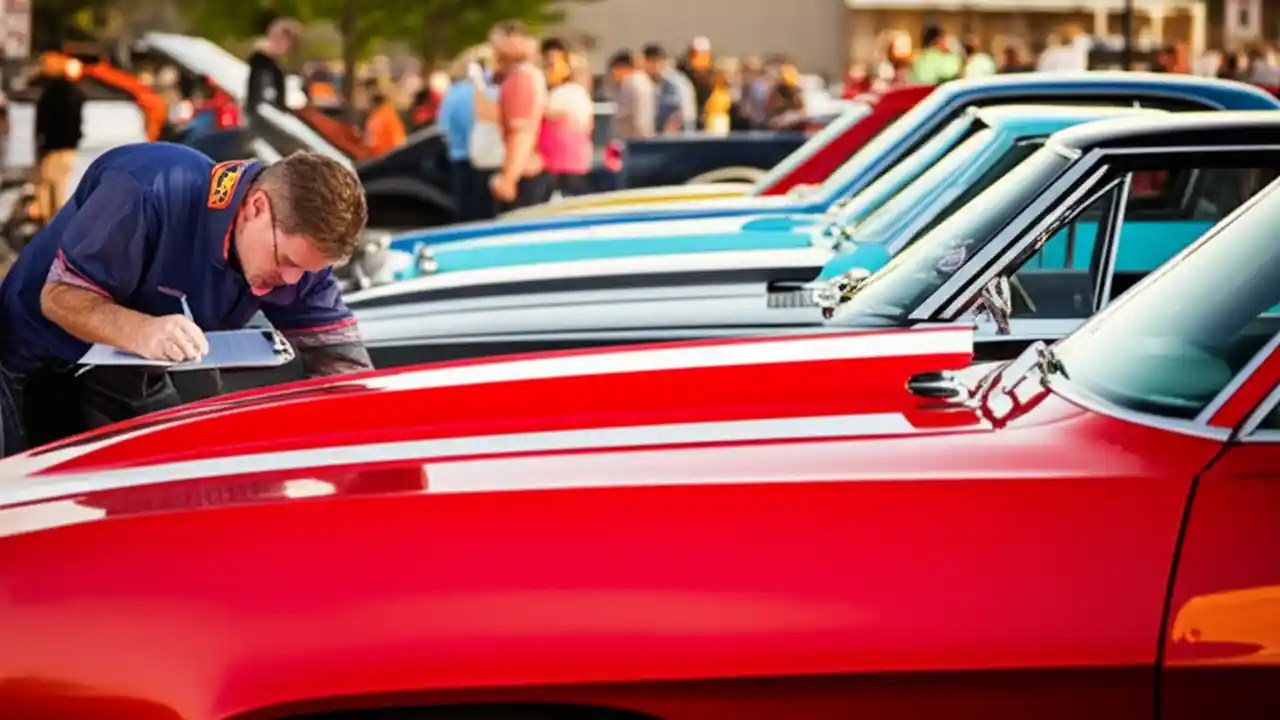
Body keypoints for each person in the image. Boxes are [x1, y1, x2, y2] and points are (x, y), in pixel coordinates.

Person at [0, 144, 373, 457]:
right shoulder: (147, 188)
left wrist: (372, 451)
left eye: (306, 271)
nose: (291, 280)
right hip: (25, 360)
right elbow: (59, 297)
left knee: (181, 477)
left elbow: (343, 365)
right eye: (286, 261)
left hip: (127, 368)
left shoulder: (302, 258)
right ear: (256, 206)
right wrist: (140, 329)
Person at [488, 20, 551, 212]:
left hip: (524, 174)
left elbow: (522, 133)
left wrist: (509, 178)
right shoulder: (530, 75)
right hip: (528, 170)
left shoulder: (520, 79)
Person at [33, 53, 85, 222]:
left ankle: (50, 230)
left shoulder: (50, 93)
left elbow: (42, 123)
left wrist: (40, 144)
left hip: (52, 148)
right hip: (68, 147)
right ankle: (55, 229)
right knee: (59, 189)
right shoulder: (75, 93)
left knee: (48, 190)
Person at [539, 45, 594, 197]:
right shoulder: (579, 92)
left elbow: (549, 113)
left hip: (562, 161)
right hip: (573, 160)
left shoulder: (567, 92)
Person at [246, 17, 302, 117]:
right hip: (262, 58)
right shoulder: (277, 34)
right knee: (259, 80)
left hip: (266, 58)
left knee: (278, 77)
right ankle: (255, 105)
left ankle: (278, 104)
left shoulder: (282, 40)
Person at [642, 43, 697, 135]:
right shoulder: (660, 82)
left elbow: (680, 111)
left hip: (677, 136)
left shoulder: (672, 82)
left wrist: (668, 135)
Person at [607, 50, 655, 140]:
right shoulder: (642, 82)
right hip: (636, 137)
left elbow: (641, 119)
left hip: (634, 139)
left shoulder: (632, 83)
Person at [362, 78, 407, 156]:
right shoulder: (390, 114)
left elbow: (370, 144)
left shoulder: (376, 119)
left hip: (381, 160)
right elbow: (400, 142)